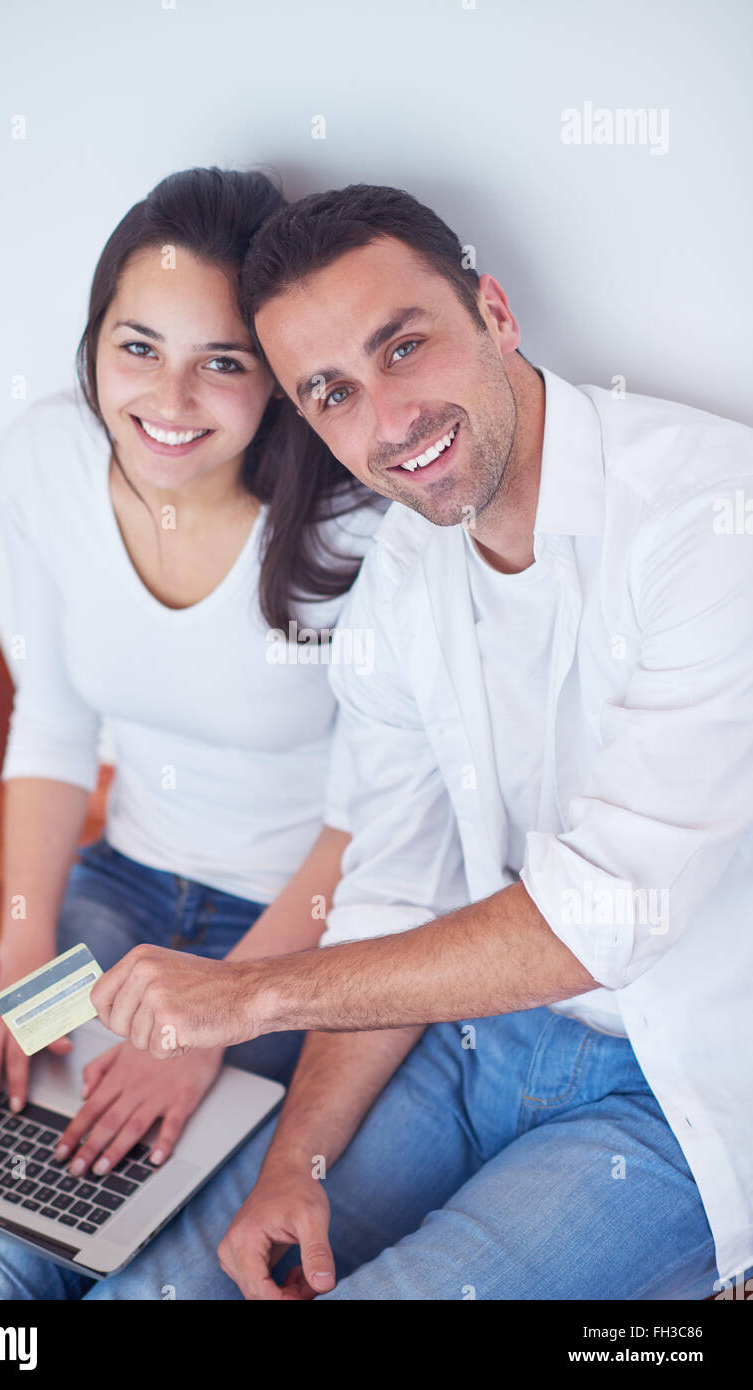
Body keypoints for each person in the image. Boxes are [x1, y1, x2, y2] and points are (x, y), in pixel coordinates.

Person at [79, 182, 753, 1300]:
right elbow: (393, 885)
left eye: (404, 347)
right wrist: (297, 1160)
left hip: (666, 1084)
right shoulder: (399, 570)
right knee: (168, 1289)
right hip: (463, 1037)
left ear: (493, 311)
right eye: (333, 391)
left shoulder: (709, 520)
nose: (388, 422)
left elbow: (608, 919)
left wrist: (250, 998)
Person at [0, 169, 384, 1299]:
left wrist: (209, 1024)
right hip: (124, 891)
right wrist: (22, 966)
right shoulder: (44, 460)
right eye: (137, 346)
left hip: (284, 940)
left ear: (276, 378)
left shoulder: (356, 527)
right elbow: (55, 723)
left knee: (23, 1241)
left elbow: (367, 827)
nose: (169, 397)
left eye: (222, 362)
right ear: (94, 342)